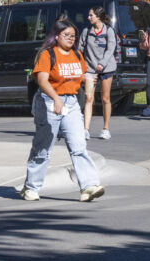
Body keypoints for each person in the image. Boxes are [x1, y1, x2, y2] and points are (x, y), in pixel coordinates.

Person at [21, 17, 103, 203]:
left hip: (71, 103)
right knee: (43, 147)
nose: (71, 38)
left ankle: (89, 186)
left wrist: (87, 80)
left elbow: (79, 75)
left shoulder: (77, 55)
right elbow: (42, 80)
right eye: (66, 35)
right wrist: (56, 99)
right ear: (56, 36)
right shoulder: (47, 55)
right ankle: (31, 187)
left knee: (79, 146)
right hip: (48, 102)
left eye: (73, 36)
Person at [79, 6, 117, 139]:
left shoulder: (109, 31)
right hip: (90, 69)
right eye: (89, 15)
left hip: (106, 68)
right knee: (89, 98)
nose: (88, 17)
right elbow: (80, 49)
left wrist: (102, 63)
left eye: (91, 15)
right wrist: (81, 67)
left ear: (98, 17)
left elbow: (111, 49)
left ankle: (106, 129)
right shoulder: (86, 31)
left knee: (105, 98)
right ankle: (85, 129)